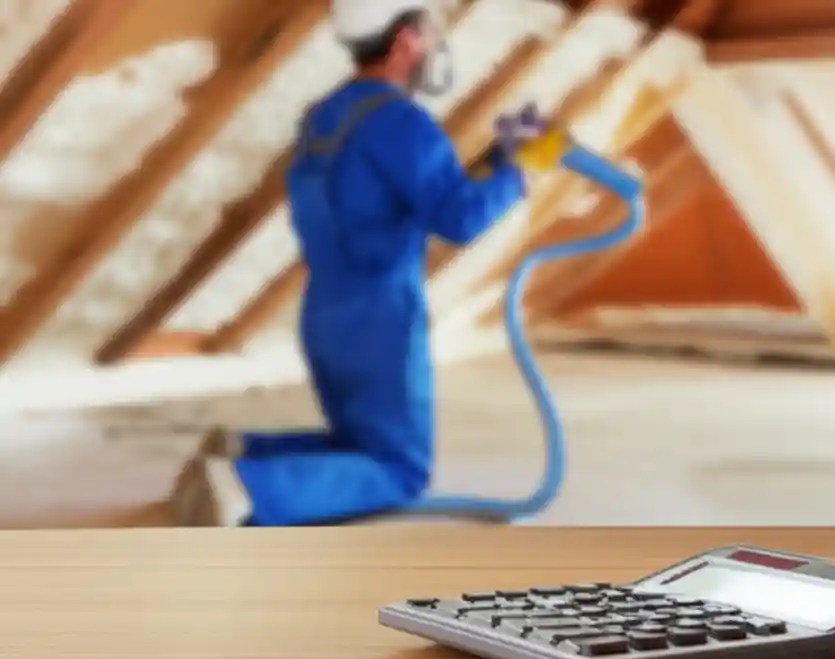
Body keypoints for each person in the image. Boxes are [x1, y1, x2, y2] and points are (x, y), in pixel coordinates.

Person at [168, 0, 568, 526]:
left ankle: (247, 449)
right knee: (400, 470)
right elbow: (460, 217)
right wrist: (519, 175)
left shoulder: (322, 117)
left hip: (325, 314)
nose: (433, 45)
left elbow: (374, 193)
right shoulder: (401, 122)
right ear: (404, 41)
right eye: (428, 31)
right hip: (382, 320)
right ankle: (250, 485)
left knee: (360, 443)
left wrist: (498, 159)